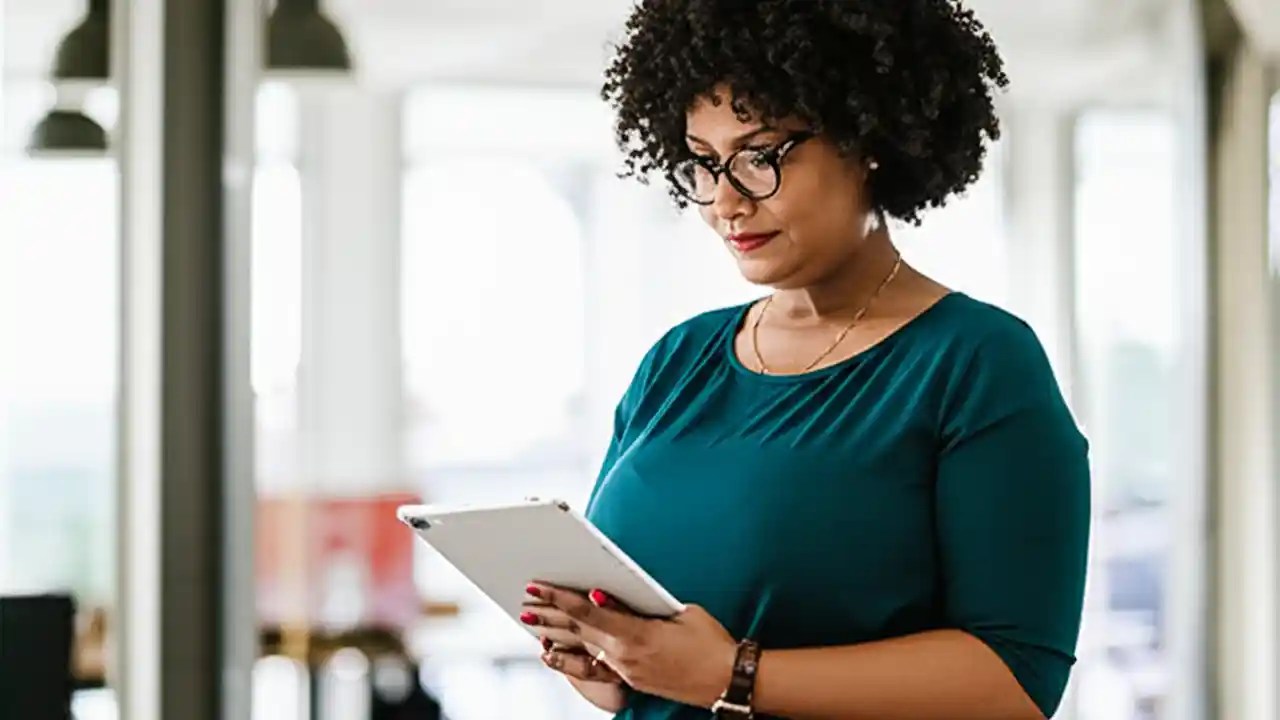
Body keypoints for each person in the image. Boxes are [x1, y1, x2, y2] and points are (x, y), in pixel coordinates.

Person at [519, 1, 1090, 718]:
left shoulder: (976, 363)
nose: (725, 201)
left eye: (760, 158)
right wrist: (602, 654)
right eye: (703, 163)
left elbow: (1015, 684)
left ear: (866, 139)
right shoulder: (677, 361)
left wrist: (733, 674)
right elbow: (638, 682)